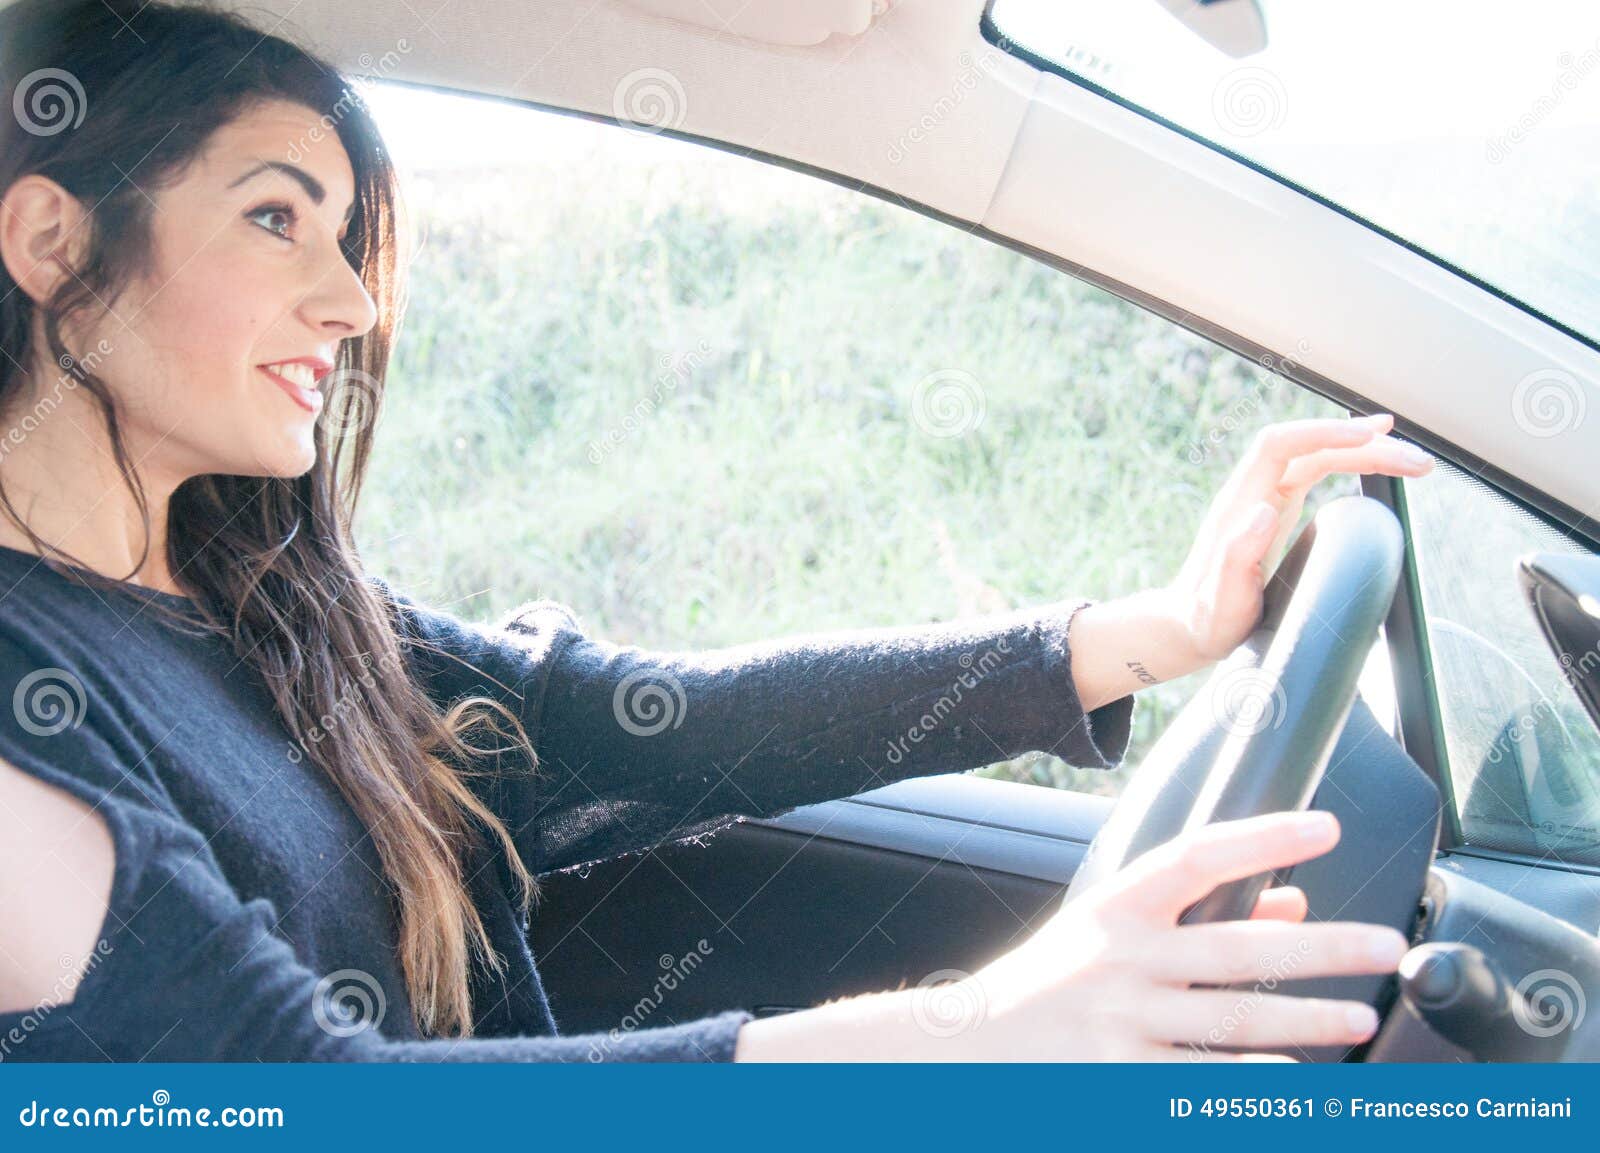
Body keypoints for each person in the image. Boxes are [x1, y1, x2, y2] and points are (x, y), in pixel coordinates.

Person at [0, 0, 1432, 1062]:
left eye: (346, 237)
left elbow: (647, 723)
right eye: (275, 219)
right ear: (53, 244)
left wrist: (1143, 635)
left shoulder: (264, 601)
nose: (355, 304)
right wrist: (987, 1021)